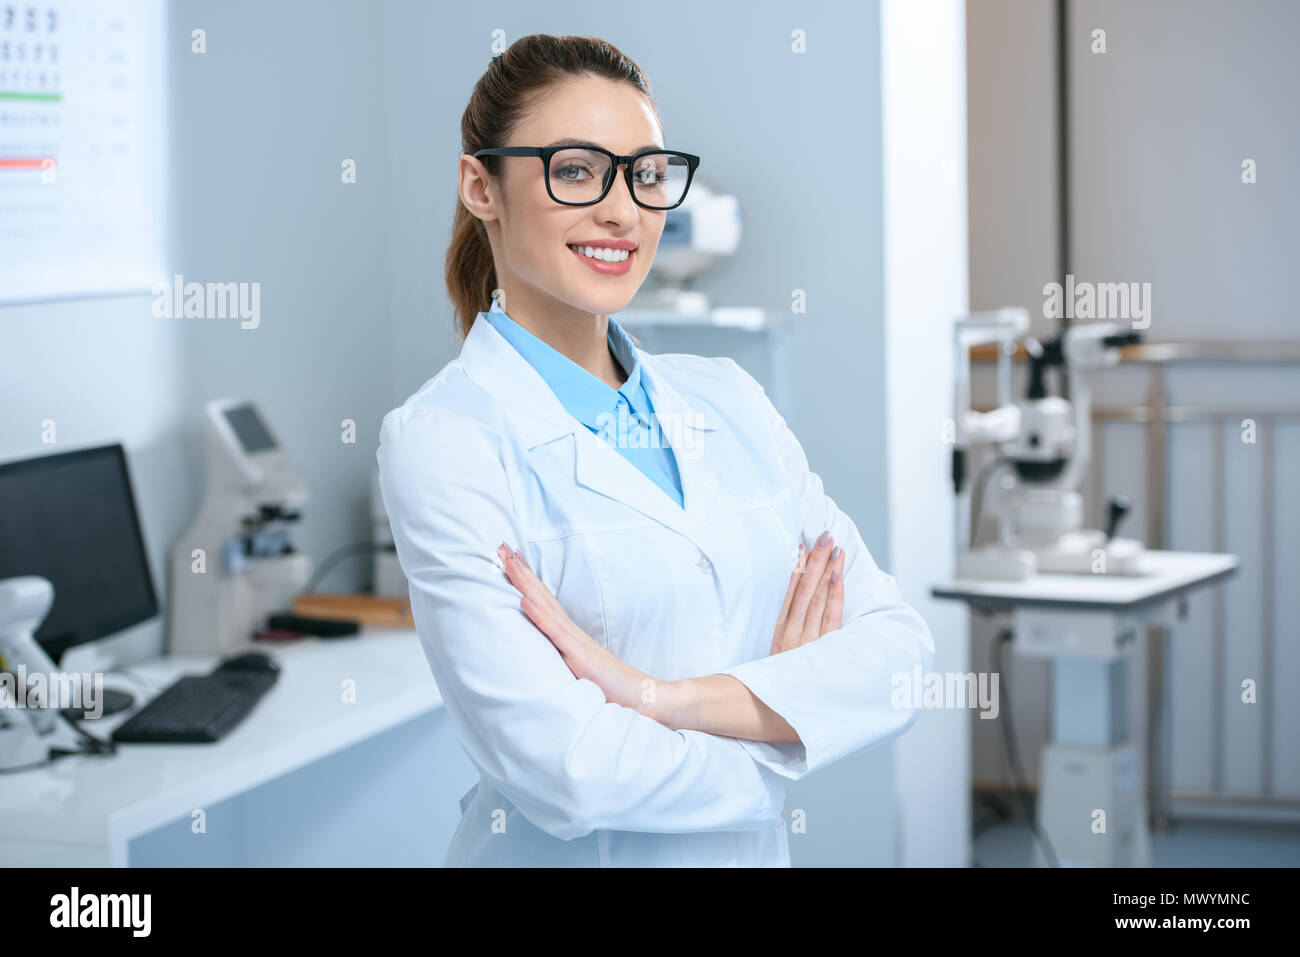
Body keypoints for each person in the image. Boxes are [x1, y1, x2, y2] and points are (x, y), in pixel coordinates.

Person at [376, 33, 935, 867]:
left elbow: (898, 658)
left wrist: (662, 698)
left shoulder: (730, 399)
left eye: (644, 174)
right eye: (575, 170)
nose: (622, 211)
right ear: (480, 186)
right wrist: (781, 727)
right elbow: (569, 773)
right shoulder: (443, 441)